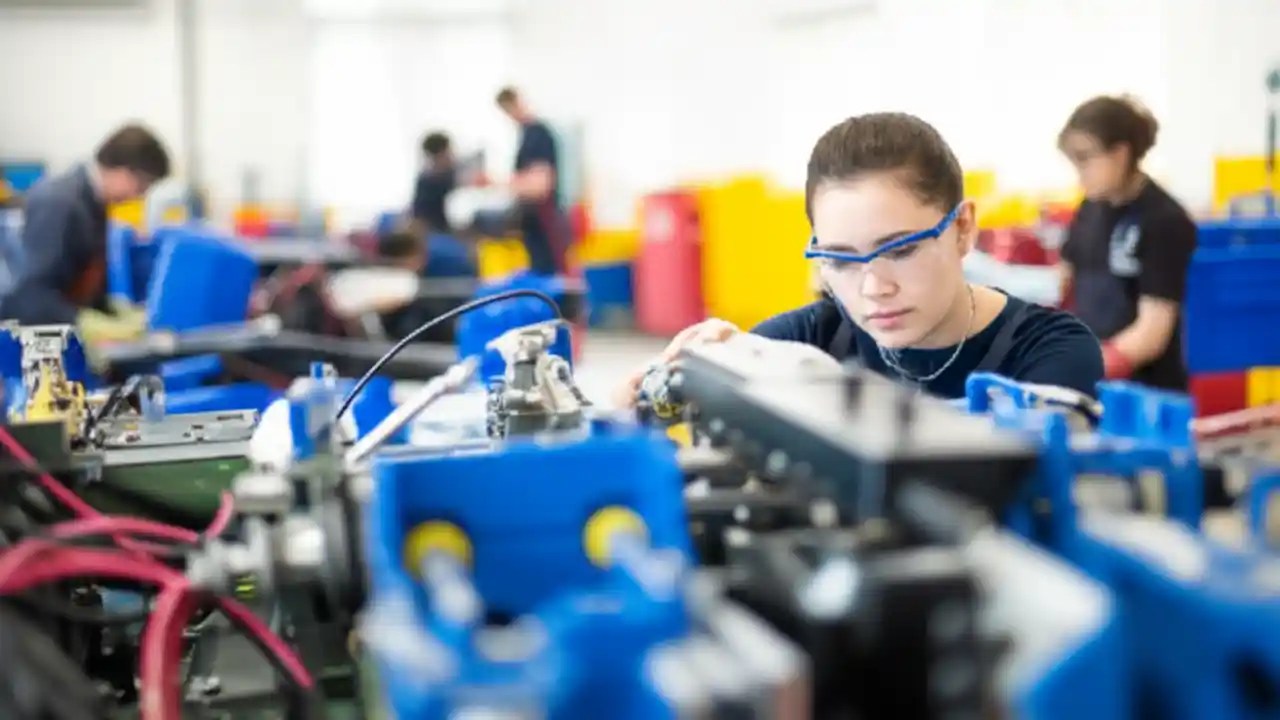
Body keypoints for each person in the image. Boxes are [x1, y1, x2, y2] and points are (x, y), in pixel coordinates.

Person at [618, 112, 1103, 405]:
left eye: (902, 249)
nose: (873, 289)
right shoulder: (811, 339)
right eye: (841, 259)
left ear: (962, 229)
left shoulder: (1050, 353)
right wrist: (671, 384)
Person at [1058, 96, 1196, 391]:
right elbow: (1063, 282)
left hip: (1145, 394)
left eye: (1085, 159)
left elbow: (1151, 332)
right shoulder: (1089, 209)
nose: (1078, 173)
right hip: (1093, 381)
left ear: (1120, 154)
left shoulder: (1164, 220)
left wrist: (1086, 366)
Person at [0, 124, 170, 346]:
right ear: (124, 171)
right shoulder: (59, 202)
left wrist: (112, 311)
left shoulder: (93, 203)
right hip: (31, 346)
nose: (139, 196)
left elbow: (81, 278)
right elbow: (30, 294)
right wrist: (83, 322)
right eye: (142, 185)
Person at [495, 86, 569, 276]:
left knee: (554, 281)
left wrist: (496, 182)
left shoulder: (538, 135)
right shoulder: (526, 135)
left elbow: (540, 186)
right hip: (535, 227)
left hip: (546, 224)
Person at [411, 131, 458, 235]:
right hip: (435, 232)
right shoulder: (428, 181)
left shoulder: (448, 174)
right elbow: (421, 218)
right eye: (449, 152)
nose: (452, 155)